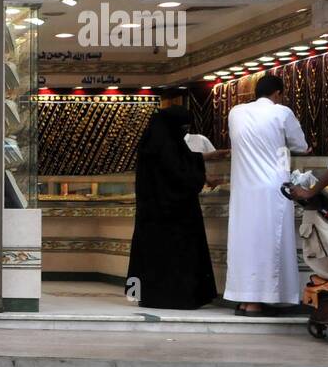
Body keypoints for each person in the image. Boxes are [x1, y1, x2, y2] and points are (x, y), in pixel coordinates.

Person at [225, 74, 309, 316]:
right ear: (277, 94)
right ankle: (256, 301)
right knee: (267, 244)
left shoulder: (235, 112)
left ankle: (242, 299)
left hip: (243, 190)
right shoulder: (281, 112)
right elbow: (300, 145)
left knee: (244, 244)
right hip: (273, 189)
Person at [127, 104, 217, 309]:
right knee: (177, 258)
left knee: (152, 257)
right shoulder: (167, 146)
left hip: (152, 216)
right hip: (176, 217)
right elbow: (180, 174)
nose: (184, 131)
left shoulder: (154, 143)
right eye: (182, 127)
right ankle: (177, 297)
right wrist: (201, 172)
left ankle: (148, 296)